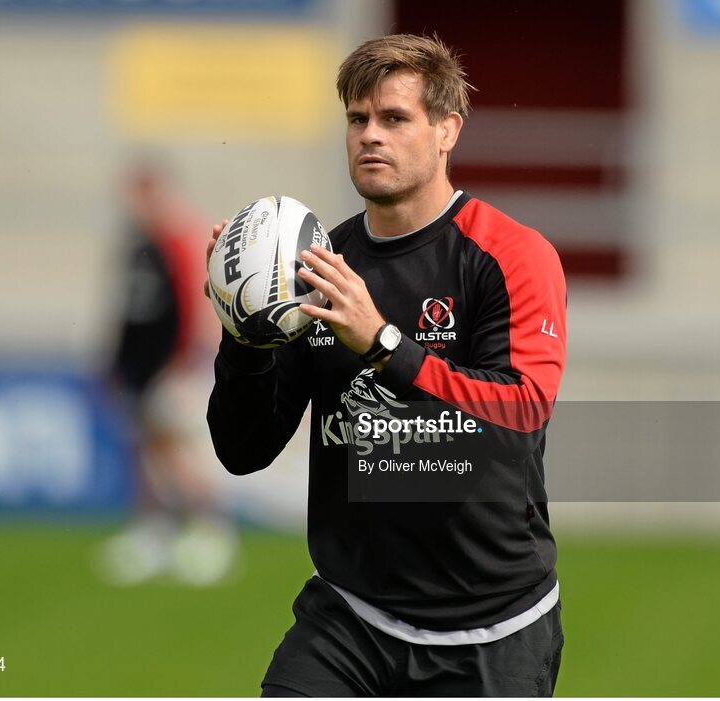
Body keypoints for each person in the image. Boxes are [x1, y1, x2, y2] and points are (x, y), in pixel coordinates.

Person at [206, 34, 567, 696]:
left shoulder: (510, 256)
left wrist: (384, 343)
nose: (370, 135)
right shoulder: (315, 267)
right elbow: (242, 450)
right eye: (357, 118)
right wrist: (245, 332)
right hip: (352, 617)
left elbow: (518, 413)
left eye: (394, 118)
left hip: (492, 630)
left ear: (446, 130)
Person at [99, 159, 238, 587]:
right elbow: (128, 310)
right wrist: (116, 363)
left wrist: (186, 359)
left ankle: (212, 530)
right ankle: (154, 531)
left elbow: (194, 302)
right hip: (141, 368)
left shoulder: (176, 239)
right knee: (149, 451)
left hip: (173, 366)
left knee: (178, 451)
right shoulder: (136, 242)